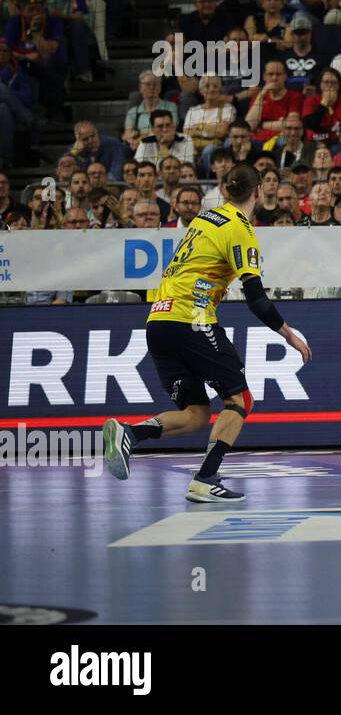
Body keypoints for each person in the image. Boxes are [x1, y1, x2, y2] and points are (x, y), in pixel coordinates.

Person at [100, 165, 312, 502]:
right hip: (192, 319)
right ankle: (205, 478)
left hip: (158, 320)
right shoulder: (241, 229)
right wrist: (288, 334)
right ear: (257, 191)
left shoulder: (204, 219)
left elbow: (193, 265)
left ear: (226, 192)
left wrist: (215, 285)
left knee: (197, 414)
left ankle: (128, 434)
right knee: (240, 400)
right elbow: (256, 298)